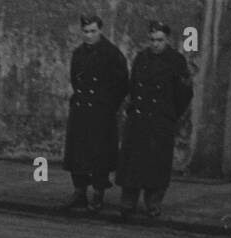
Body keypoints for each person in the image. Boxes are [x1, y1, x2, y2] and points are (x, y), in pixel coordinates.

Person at [117, 21, 194, 220]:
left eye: (159, 40)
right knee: (133, 162)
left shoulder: (176, 61)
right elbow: (133, 86)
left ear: (167, 40)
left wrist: (169, 114)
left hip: (161, 119)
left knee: (157, 164)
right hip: (140, 118)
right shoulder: (141, 58)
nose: (155, 44)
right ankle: (128, 201)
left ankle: (153, 203)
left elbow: (184, 93)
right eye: (152, 40)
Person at [61, 14, 130, 214]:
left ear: (100, 30)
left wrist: (107, 104)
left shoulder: (112, 54)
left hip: (101, 113)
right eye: (85, 31)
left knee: (99, 155)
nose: (89, 35)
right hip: (81, 110)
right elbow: (75, 79)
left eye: (93, 31)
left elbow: (122, 85)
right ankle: (79, 192)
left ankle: (98, 195)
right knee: (77, 154)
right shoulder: (78, 53)